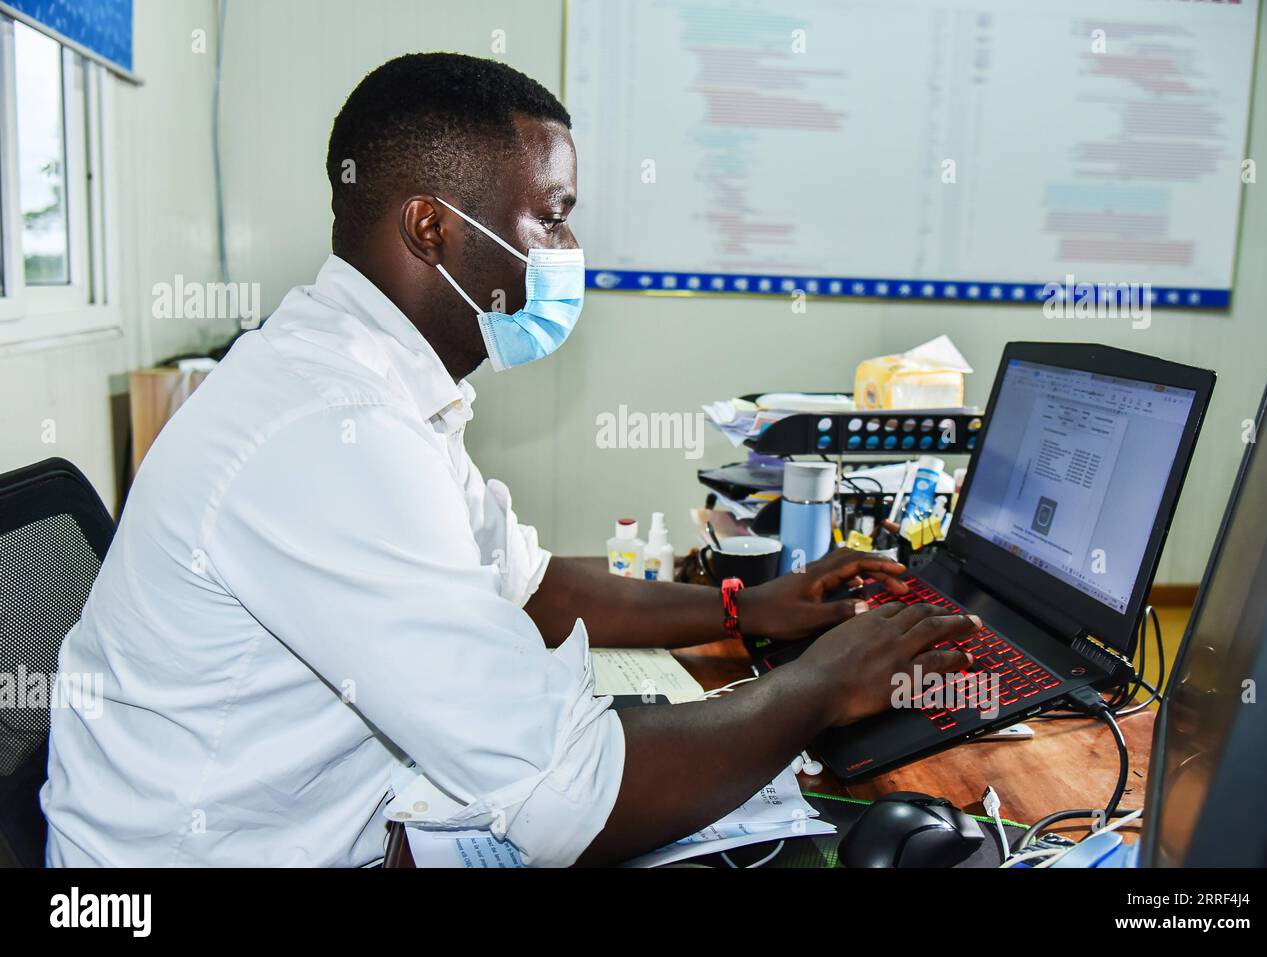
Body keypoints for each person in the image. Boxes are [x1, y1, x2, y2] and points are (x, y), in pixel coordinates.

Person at [41, 53, 976, 867]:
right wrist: (818, 687)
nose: (571, 251)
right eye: (553, 218)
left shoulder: (373, 380)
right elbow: (565, 794)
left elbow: (530, 588)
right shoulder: (329, 429)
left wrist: (745, 608)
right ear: (432, 229)